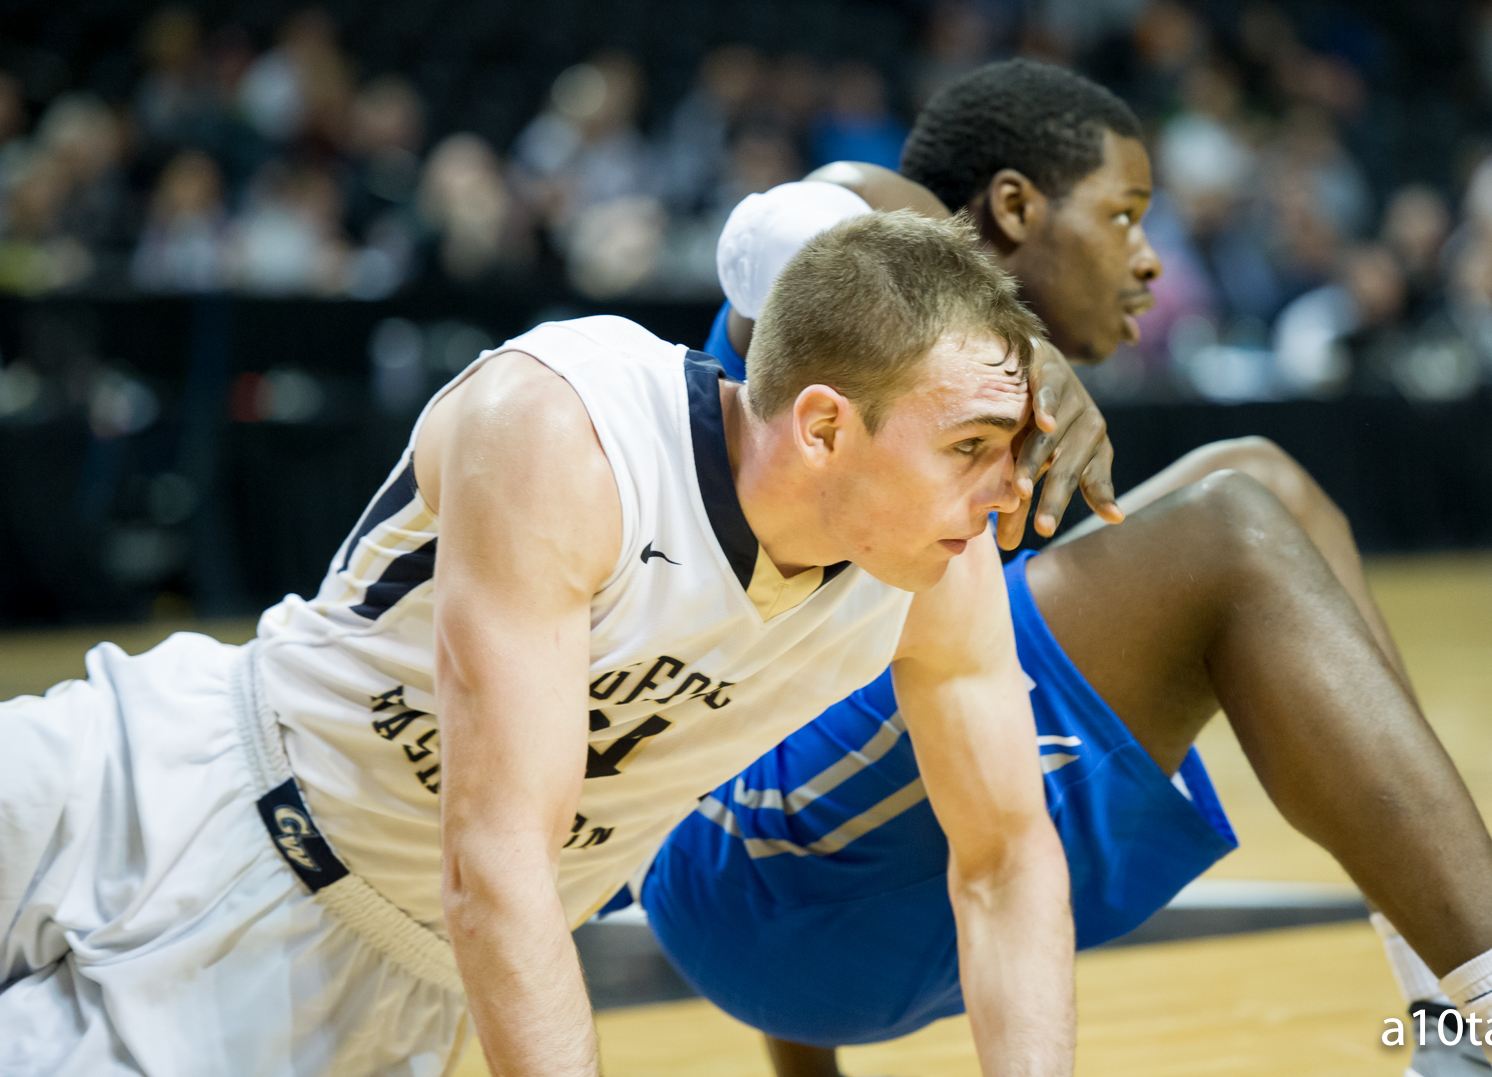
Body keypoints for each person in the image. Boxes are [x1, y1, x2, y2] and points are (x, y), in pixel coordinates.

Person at [640, 60, 1492, 1077]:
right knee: (1227, 531)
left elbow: (785, 686)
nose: (1147, 257)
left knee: (1264, 483)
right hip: (755, 877)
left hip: (785, 910)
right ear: (1010, 209)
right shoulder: (836, 281)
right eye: (1120, 215)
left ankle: (1449, 1025)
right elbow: (803, 210)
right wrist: (1004, 331)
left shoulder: (939, 419)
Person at [0, 214, 1081, 1076]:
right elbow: (496, 859)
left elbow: (1004, 857)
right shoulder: (571, 427)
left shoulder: (941, 571)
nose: (1004, 493)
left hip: (342, 968)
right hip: (156, 770)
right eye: (970, 447)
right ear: (822, 425)